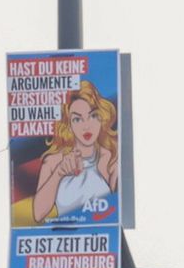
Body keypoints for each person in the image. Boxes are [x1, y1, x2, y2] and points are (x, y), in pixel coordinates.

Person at [33, 80, 120, 223]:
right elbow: (38, 214)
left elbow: (118, 214)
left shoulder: (111, 156)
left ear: (101, 117)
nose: (86, 126)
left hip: (102, 235)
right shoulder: (53, 162)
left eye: (93, 116)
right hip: (66, 236)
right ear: (69, 124)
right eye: (77, 119)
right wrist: (59, 174)